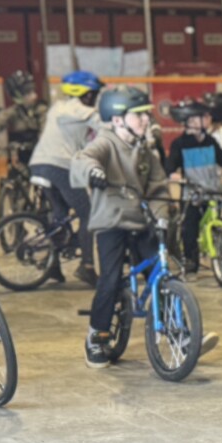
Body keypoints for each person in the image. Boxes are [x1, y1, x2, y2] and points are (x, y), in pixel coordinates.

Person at [76, 86, 163, 368]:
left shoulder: (146, 151)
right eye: (139, 116)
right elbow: (83, 158)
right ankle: (96, 337)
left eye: (146, 115)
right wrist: (94, 171)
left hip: (139, 220)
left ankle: (180, 329)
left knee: (163, 271)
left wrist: (163, 216)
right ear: (117, 120)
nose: (146, 120)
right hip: (111, 222)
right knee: (111, 280)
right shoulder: (106, 142)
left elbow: (159, 187)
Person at [28, 72, 100, 282]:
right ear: (86, 94)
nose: (95, 98)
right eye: (94, 93)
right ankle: (86, 266)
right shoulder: (86, 111)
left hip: (39, 164)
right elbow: (108, 131)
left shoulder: (57, 107)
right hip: (60, 166)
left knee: (59, 214)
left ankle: (53, 264)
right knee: (88, 214)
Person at [165, 98, 222, 272]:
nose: (208, 119)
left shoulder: (210, 141)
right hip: (192, 194)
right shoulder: (179, 144)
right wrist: (175, 175)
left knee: (217, 219)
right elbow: (170, 166)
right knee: (190, 226)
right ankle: (190, 259)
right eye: (203, 117)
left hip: (213, 191)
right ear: (191, 121)